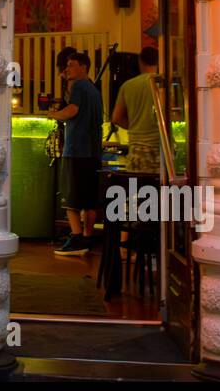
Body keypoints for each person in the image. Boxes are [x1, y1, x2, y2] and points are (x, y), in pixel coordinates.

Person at [48, 51, 103, 256]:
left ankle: (76, 237)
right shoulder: (94, 89)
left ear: (83, 67)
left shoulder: (79, 85)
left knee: (71, 198)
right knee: (89, 199)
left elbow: (72, 111)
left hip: (77, 150)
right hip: (93, 152)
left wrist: (53, 114)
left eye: (71, 65)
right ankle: (88, 237)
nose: (67, 69)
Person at [113, 46, 161, 173]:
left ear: (140, 62)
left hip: (136, 151)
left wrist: (135, 126)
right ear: (159, 61)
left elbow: (116, 118)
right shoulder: (162, 83)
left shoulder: (127, 86)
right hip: (160, 148)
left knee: (137, 191)